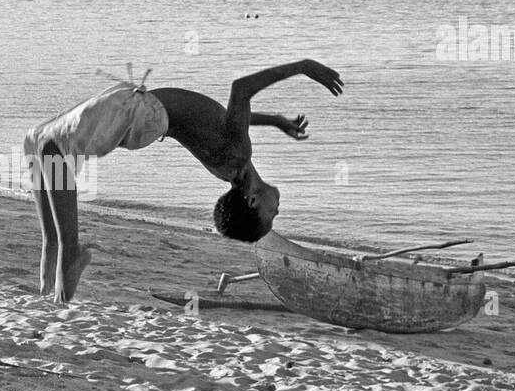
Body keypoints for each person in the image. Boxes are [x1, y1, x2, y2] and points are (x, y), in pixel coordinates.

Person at [25, 58, 343, 302]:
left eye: (270, 214)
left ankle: (61, 297)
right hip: (141, 117)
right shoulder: (229, 166)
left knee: (52, 148)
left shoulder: (237, 153)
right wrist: (275, 120)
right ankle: (47, 295)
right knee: (46, 149)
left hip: (139, 112)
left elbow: (240, 88)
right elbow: (223, 116)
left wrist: (304, 66)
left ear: (252, 201)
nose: (278, 210)